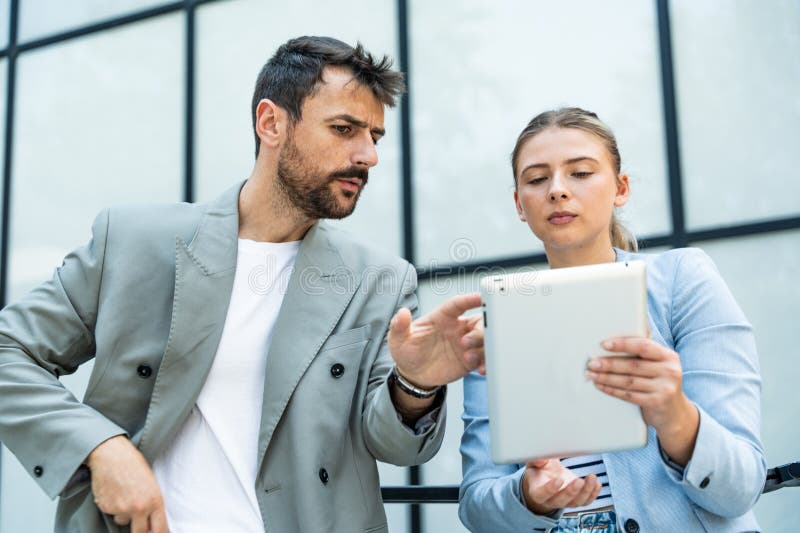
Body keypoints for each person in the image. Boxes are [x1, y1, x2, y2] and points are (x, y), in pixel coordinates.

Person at [0, 36, 485, 533]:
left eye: (375, 137)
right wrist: (100, 448)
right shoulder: (132, 242)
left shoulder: (379, 280)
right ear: (271, 123)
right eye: (345, 129)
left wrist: (416, 385)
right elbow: (8, 349)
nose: (368, 156)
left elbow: (394, 444)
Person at [458, 107, 765, 532]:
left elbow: (741, 487)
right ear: (519, 205)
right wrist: (528, 497)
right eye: (536, 179)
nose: (558, 190)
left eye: (581, 173)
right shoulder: (496, 326)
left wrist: (675, 416)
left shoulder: (682, 282)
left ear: (620, 189)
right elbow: (477, 507)